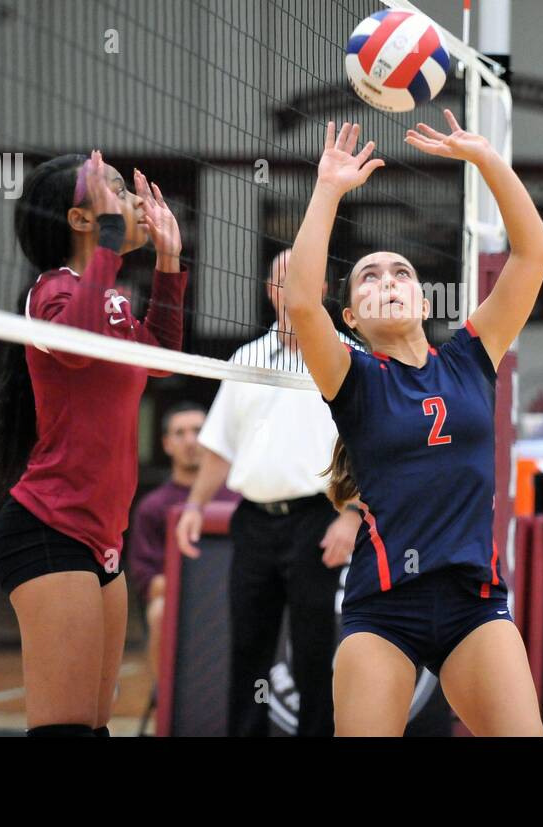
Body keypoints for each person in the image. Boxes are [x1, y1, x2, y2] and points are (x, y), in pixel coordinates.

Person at [286, 113, 543, 736]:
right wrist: (327, 188)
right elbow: (299, 301)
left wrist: (487, 160)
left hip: (473, 602)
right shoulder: (353, 378)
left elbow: (534, 251)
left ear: (423, 301)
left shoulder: (469, 358)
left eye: (400, 272)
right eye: (369, 278)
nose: (388, 281)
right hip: (385, 608)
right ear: (351, 316)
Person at [0, 150, 186, 737]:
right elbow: (74, 346)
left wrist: (169, 262)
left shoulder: (110, 299)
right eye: (118, 190)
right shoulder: (52, 292)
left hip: (101, 539)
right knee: (63, 731)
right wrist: (115, 242)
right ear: (82, 219)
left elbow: (161, 360)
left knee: (93, 730)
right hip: (48, 529)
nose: (139, 199)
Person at [173, 249, 360, 738]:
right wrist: (195, 506)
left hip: (317, 521)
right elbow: (219, 446)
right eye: (281, 280)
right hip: (253, 521)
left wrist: (352, 516)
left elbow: (370, 447)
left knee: (314, 651)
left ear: (319, 290)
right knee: (248, 650)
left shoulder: (346, 357)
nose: (290, 288)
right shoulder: (246, 359)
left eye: (301, 279)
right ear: (268, 290)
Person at [127, 403, 235, 684]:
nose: (190, 440)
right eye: (180, 433)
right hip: (182, 605)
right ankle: (168, 705)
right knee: (159, 610)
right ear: (166, 444)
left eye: (198, 431)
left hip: (239, 596)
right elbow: (148, 582)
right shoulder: (151, 508)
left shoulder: (241, 497)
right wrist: (200, 589)